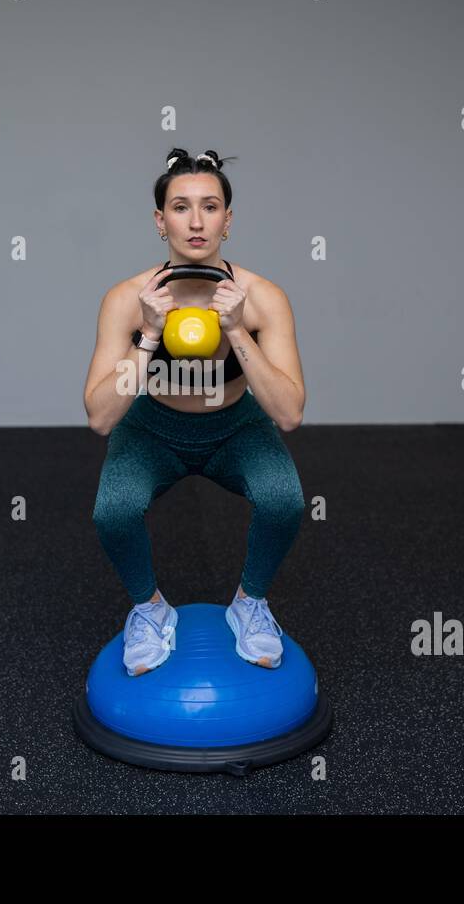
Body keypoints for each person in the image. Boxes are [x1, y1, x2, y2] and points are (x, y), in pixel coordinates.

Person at [83, 147, 307, 677]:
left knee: (285, 500)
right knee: (112, 511)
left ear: (228, 220)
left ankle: (250, 605)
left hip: (235, 427)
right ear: (161, 221)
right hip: (152, 429)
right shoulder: (126, 298)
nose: (197, 220)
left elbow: (290, 412)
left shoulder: (262, 297)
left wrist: (234, 328)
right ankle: (149, 609)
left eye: (210, 207)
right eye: (181, 207)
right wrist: (149, 334)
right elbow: (100, 417)